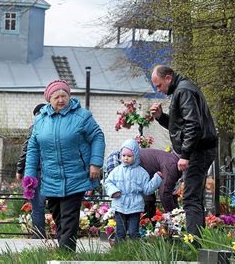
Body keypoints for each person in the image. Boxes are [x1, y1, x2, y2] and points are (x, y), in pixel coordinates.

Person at [24, 79, 105, 251]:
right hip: (51, 177)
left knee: (69, 216)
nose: (61, 100)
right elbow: (33, 148)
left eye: (64, 95)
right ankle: (64, 250)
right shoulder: (40, 121)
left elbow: (97, 136)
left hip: (75, 175)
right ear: (49, 99)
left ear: (69, 96)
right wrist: (29, 175)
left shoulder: (82, 116)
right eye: (56, 97)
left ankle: (66, 253)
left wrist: (95, 163)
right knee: (58, 215)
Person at [150, 65, 217, 237]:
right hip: (199, 148)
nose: (159, 90)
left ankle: (195, 244)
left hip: (198, 150)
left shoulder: (184, 91)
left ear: (168, 78)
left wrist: (185, 154)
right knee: (193, 197)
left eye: (159, 86)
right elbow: (180, 126)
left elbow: (193, 125)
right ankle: (198, 241)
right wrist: (160, 117)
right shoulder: (182, 89)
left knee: (190, 197)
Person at [104, 139, 162, 241]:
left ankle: (134, 251)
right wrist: (113, 191)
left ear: (135, 156)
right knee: (120, 232)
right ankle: (118, 252)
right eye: (123, 156)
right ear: (120, 156)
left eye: (129, 156)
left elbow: (147, 190)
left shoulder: (142, 172)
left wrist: (157, 179)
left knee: (133, 232)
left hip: (135, 206)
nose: (126, 158)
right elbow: (108, 183)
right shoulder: (116, 171)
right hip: (120, 205)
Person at [105, 147, 182, 213]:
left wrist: (173, 215)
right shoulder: (128, 162)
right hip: (150, 175)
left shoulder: (170, 165)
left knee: (159, 197)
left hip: (158, 170)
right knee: (148, 201)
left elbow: (165, 193)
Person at [15, 103, 46, 239]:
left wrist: (19, 169)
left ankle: (38, 237)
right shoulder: (58, 126)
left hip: (38, 171)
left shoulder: (34, 128)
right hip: (51, 170)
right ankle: (62, 236)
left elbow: (26, 149)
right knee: (56, 205)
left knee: (38, 206)